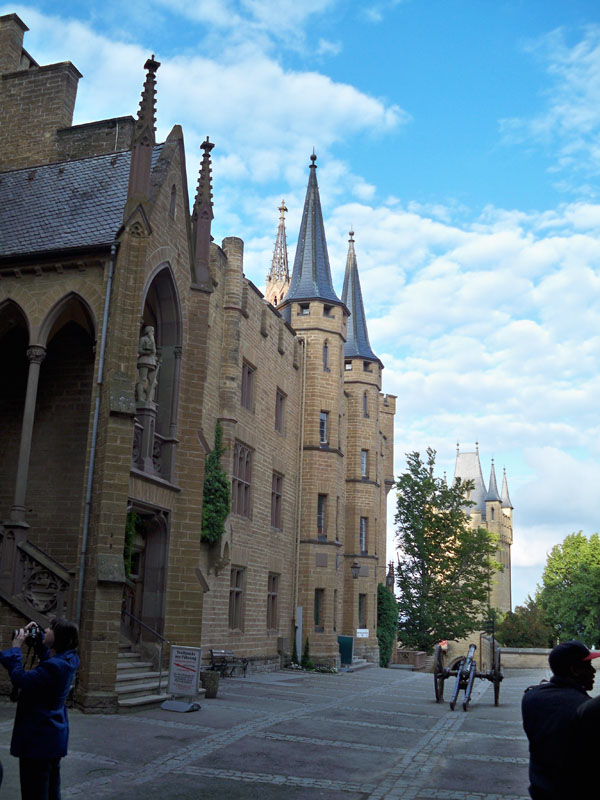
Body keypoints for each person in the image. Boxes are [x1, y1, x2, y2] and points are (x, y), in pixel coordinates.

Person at [0, 618, 79, 800]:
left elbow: (21, 679)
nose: (46, 629)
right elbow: (49, 657)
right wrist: (38, 637)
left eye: (50, 628)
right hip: (53, 736)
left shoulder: (54, 666)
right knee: (51, 788)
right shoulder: (69, 658)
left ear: (58, 637)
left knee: (34, 791)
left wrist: (15, 648)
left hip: (38, 738)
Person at [521, 640, 600, 799]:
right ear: (574, 670)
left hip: (540, 790)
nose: (593, 671)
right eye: (588, 665)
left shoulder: (530, 697)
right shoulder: (584, 709)